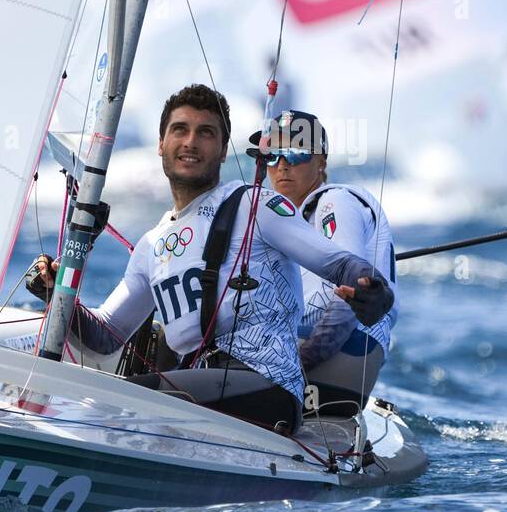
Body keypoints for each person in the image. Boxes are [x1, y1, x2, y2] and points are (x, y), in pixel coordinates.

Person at [27, 85, 393, 432]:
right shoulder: (152, 245)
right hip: (200, 388)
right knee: (120, 392)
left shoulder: (257, 206)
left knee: (125, 399)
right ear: (161, 144)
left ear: (222, 150)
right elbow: (105, 336)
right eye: (180, 129)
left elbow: (339, 263)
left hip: (266, 387)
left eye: (205, 133)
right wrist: (56, 294)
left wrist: (370, 287)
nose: (190, 141)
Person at [247, 110, 397, 416]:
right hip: (346, 358)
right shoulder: (292, 223)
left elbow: (348, 296)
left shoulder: (333, 201)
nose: (283, 165)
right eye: (272, 155)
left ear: (322, 163)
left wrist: (296, 364)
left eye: (297, 153)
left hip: (341, 352)